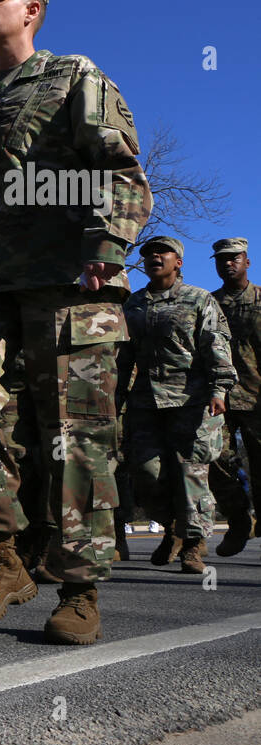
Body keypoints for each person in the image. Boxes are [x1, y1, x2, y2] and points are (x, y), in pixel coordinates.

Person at [0, 0, 152, 645]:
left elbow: (119, 169)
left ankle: (80, 589)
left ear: (33, 9)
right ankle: (4, 555)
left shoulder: (74, 76)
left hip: (69, 280)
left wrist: (106, 246)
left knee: (77, 433)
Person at [118, 236, 235, 573]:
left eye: (162, 252)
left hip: (193, 399)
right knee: (147, 473)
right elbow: (123, 356)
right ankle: (172, 529)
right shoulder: (134, 304)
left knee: (192, 473)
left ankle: (194, 545)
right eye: (149, 254)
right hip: (145, 402)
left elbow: (216, 345)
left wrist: (220, 389)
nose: (154, 257)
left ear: (178, 262)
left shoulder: (199, 299)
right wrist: (115, 397)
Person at [208, 237, 261, 557]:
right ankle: (239, 520)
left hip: (258, 399)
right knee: (217, 462)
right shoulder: (207, 303)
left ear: (247, 262)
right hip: (220, 398)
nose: (227, 263)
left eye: (234, 258)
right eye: (221, 259)